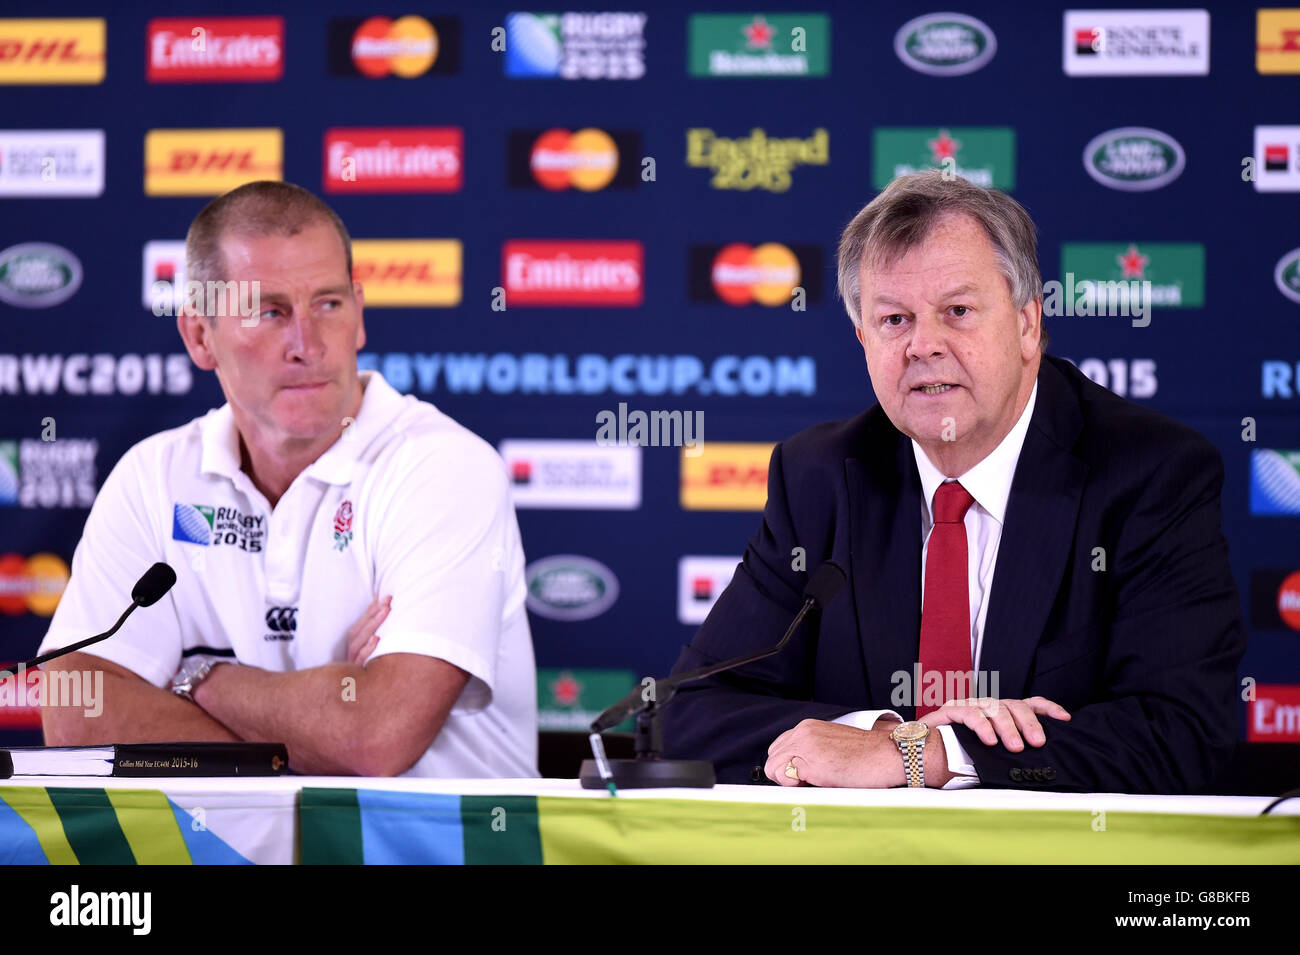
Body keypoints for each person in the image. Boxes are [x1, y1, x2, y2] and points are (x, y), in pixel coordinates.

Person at [662, 170, 1246, 793]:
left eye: (958, 311)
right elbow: (690, 715)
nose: (923, 345)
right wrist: (878, 734)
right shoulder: (820, 478)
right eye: (894, 320)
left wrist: (927, 755)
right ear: (861, 339)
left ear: (1027, 324)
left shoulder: (1147, 473)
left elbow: (1182, 735)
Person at [38, 181, 537, 777]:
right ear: (200, 336)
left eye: (328, 304)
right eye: (268, 311)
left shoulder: (442, 469)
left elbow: (374, 738)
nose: (307, 344)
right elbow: (74, 711)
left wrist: (196, 677)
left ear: (358, 314)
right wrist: (311, 730)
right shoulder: (154, 476)